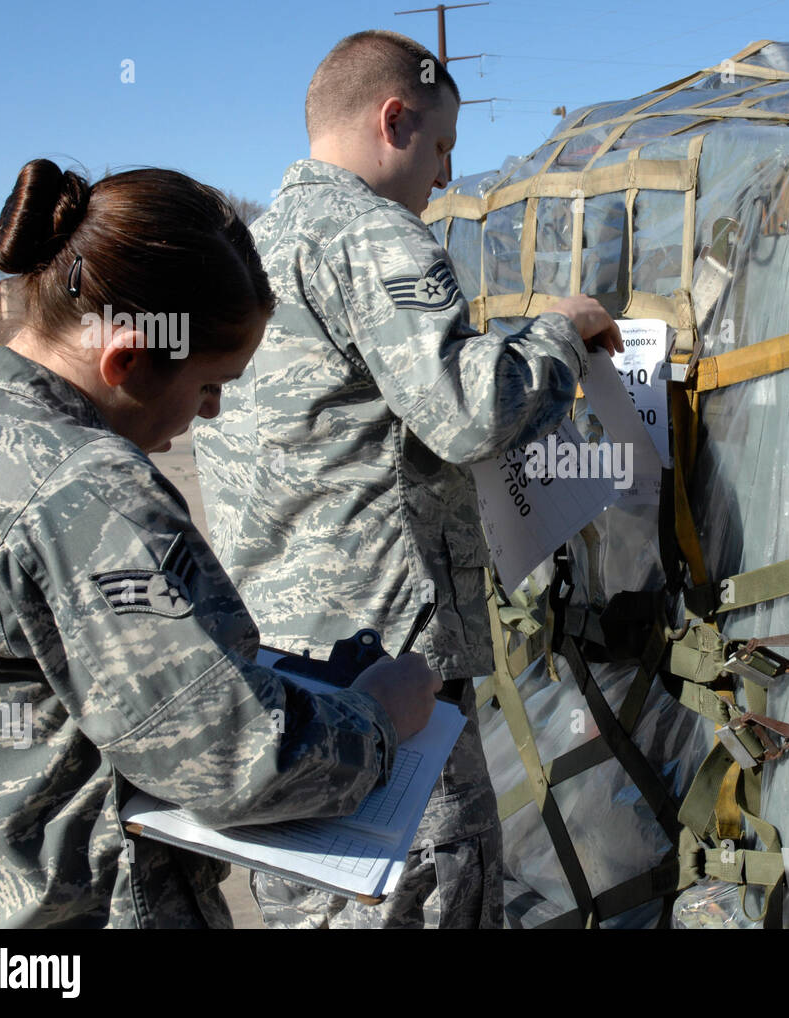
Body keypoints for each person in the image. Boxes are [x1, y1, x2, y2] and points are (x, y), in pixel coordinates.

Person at [0, 158, 441, 928]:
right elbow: (234, 760)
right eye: (209, 386)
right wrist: (378, 721)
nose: (209, 415)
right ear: (127, 357)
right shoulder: (90, 490)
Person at [192, 29, 622, 929]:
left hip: (285, 680)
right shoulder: (374, 236)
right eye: (440, 149)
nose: (442, 179)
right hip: (390, 683)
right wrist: (562, 332)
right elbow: (468, 415)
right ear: (394, 120)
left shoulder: (255, 247)